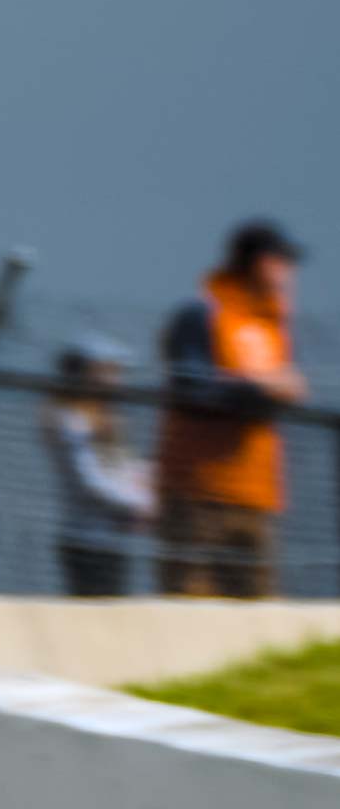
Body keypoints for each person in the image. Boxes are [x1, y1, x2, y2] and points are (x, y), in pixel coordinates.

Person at [156, 220, 307, 599]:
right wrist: (261, 388)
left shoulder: (274, 326)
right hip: (198, 496)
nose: (290, 273)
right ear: (258, 263)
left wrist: (279, 390)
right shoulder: (202, 314)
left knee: (258, 613)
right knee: (193, 603)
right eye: (282, 261)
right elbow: (192, 388)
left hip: (255, 497)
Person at [44, 335, 155, 598]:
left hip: (113, 539)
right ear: (87, 373)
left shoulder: (107, 419)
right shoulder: (71, 420)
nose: (117, 381)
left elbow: (122, 469)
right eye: (109, 371)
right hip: (87, 541)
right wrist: (135, 504)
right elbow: (90, 481)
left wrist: (145, 488)